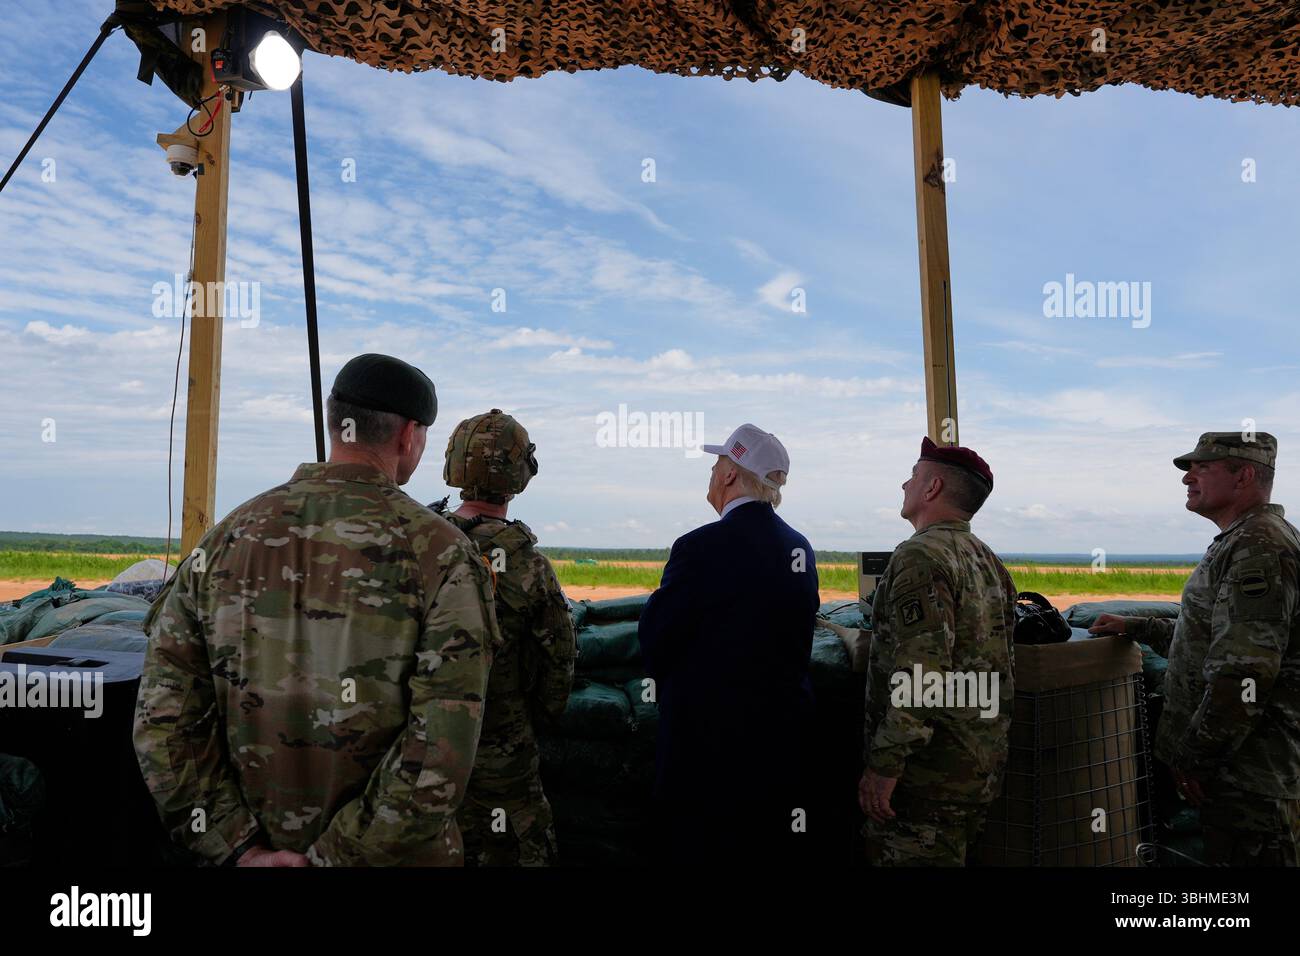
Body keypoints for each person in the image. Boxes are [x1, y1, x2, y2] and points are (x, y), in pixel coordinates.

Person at [133, 353, 500, 867]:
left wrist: (238, 846)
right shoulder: (441, 553)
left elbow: (164, 717)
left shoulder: (225, 538)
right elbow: (441, 745)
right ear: (409, 435)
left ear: (336, 423)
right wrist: (330, 859)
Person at [1089, 431, 1300, 865]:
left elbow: (1244, 672)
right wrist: (1136, 625)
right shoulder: (1240, 539)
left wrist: (1195, 756)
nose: (1188, 479)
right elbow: (1208, 636)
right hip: (1236, 766)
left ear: (1243, 476)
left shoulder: (1259, 546)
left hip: (1249, 771)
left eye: (1201, 468)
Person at [638, 423, 819, 862]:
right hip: (779, 748)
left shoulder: (699, 547)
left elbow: (657, 640)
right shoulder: (800, 548)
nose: (714, 471)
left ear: (729, 475)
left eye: (718, 462)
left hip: (706, 754)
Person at [859, 436, 1016, 866]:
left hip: (927, 778)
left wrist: (886, 763)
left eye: (912, 476)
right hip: (975, 767)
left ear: (931, 490)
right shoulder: (987, 559)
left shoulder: (919, 557)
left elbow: (923, 672)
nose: (903, 485)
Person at [431, 409, 575, 866]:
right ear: (519, 476)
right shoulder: (530, 566)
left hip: (418, 759)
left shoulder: (416, 544)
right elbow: (558, 673)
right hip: (501, 761)